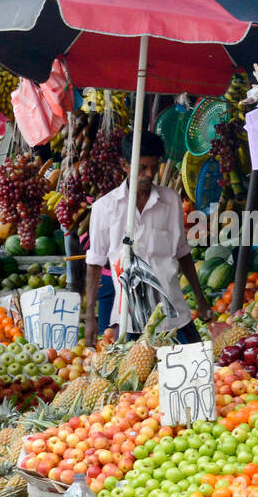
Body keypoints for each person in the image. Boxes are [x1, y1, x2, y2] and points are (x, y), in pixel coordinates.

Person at [84, 132, 207, 345]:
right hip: (128, 320)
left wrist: (201, 300)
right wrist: (89, 318)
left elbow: (183, 253)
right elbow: (95, 264)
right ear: (125, 165)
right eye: (142, 168)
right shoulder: (104, 208)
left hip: (174, 316)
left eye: (153, 166)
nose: (150, 174)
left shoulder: (171, 201)